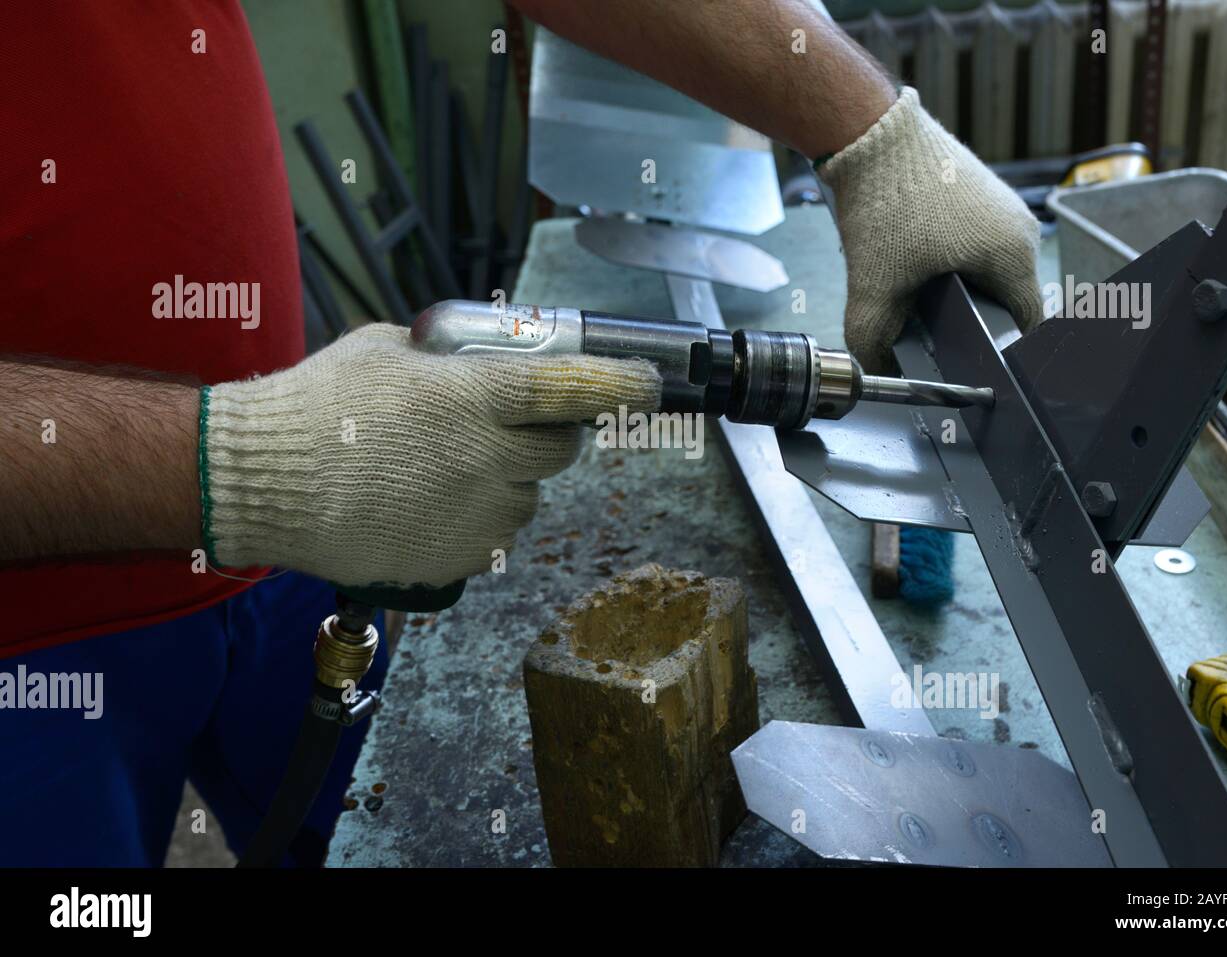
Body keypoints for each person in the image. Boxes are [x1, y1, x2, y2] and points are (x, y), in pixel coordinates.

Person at [0, 0, 1041, 866]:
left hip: (288, 527)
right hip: (35, 644)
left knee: (365, 828)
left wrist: (872, 134)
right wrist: (243, 462)